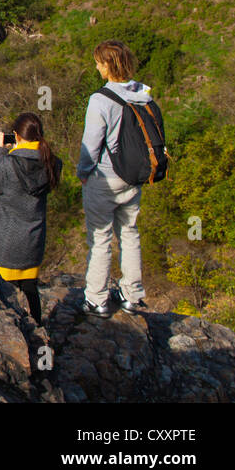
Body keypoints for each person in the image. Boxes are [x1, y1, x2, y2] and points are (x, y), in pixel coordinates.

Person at [77, 40, 158, 319]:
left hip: (105, 179)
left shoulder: (100, 100)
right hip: (133, 178)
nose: (97, 66)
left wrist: (83, 173)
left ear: (108, 65)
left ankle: (96, 298)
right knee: (130, 234)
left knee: (100, 239)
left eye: (99, 62)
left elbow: (91, 144)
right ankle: (131, 295)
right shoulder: (143, 93)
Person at [0, 112, 62, 326]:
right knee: (29, 288)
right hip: (32, 243)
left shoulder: (8, 164)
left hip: (3, 244)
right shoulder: (53, 163)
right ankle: (38, 327)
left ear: (16, 136)